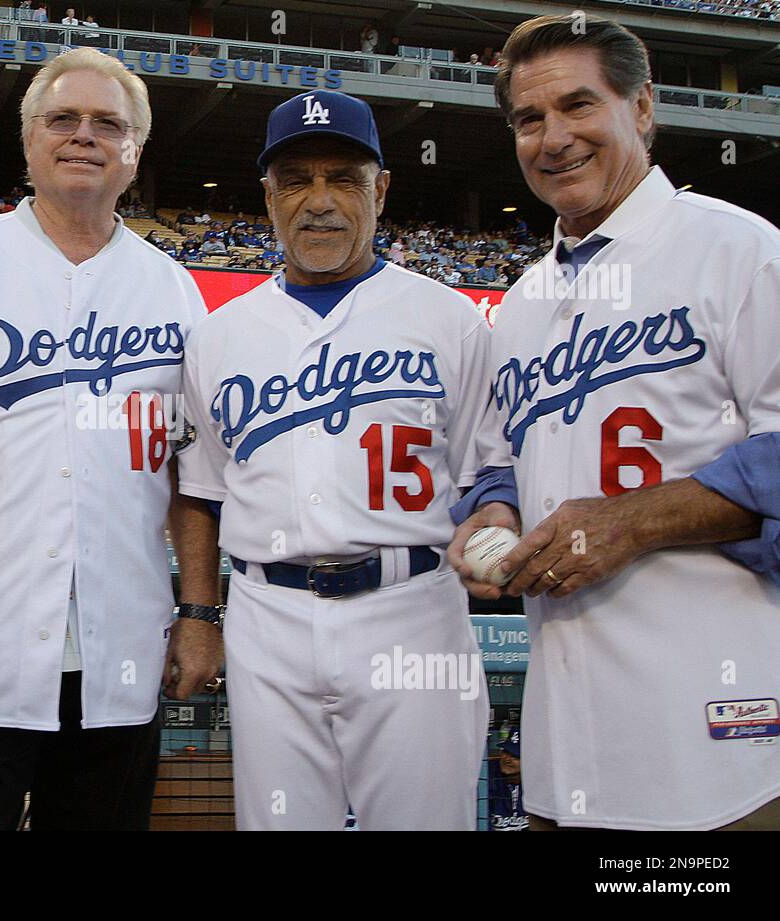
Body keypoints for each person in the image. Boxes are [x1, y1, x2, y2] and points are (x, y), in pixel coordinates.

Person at [0, 47, 220, 831]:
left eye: (108, 124)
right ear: (28, 141)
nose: (83, 136)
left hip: (122, 650)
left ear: (135, 151)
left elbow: (195, 469)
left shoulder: (174, 289)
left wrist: (199, 610)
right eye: (63, 118)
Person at [449, 14, 780, 831]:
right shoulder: (521, 302)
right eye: (530, 120)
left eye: (578, 106)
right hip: (570, 731)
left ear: (642, 108)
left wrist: (631, 521)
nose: (554, 137)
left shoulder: (738, 249)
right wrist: (494, 514)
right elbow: (499, 462)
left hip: (721, 717)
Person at [176, 90, 489, 831]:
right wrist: (198, 612)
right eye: (296, 180)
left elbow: (487, 473)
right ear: (269, 196)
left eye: (343, 178)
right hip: (266, 615)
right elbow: (202, 491)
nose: (318, 201)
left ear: (380, 191)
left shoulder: (452, 321)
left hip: (412, 607)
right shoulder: (218, 337)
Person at [488, 730, 528, 831]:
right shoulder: (488, 775)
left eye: (515, 755)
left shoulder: (538, 783)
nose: (507, 759)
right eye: (506, 752)